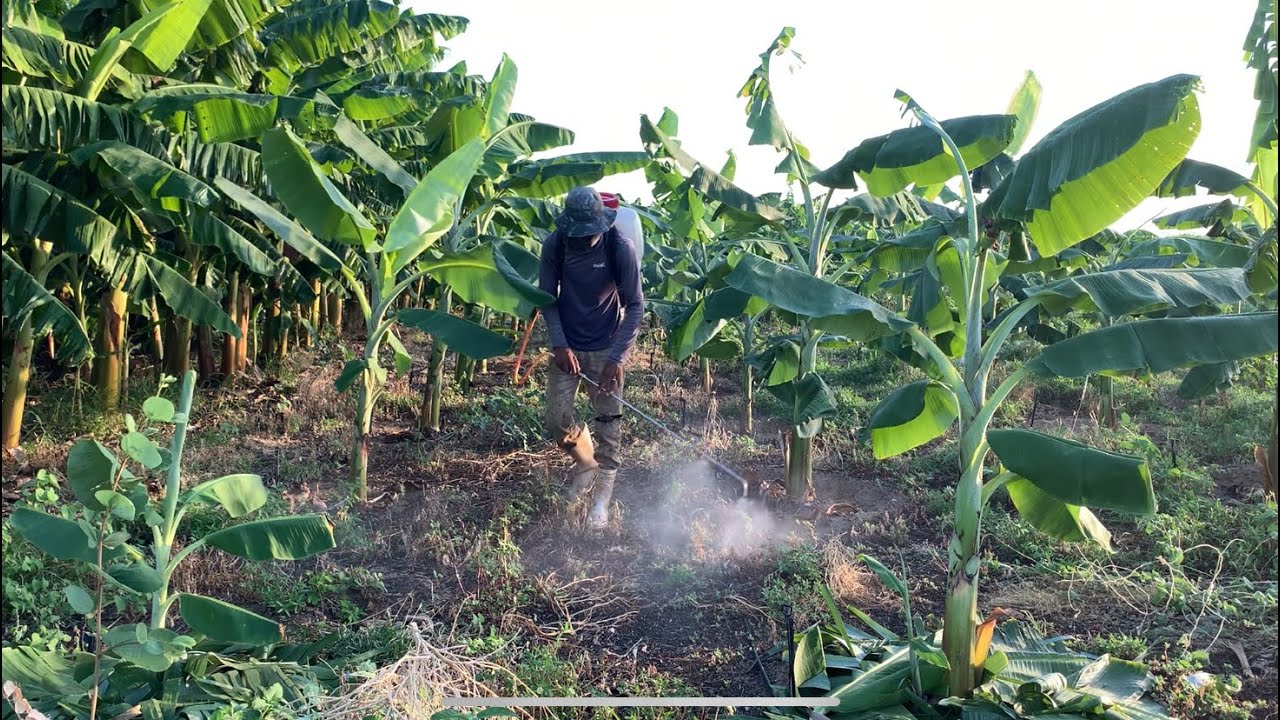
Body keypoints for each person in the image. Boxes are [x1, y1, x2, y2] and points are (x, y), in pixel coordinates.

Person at [539, 187, 644, 529]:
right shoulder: (555, 244)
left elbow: (636, 306)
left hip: (606, 345)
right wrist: (559, 344)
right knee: (556, 418)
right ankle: (586, 463)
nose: (584, 239)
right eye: (578, 233)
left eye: (590, 233)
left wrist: (617, 358)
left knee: (608, 424)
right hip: (567, 344)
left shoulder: (619, 247)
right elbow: (547, 298)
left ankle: (602, 500)